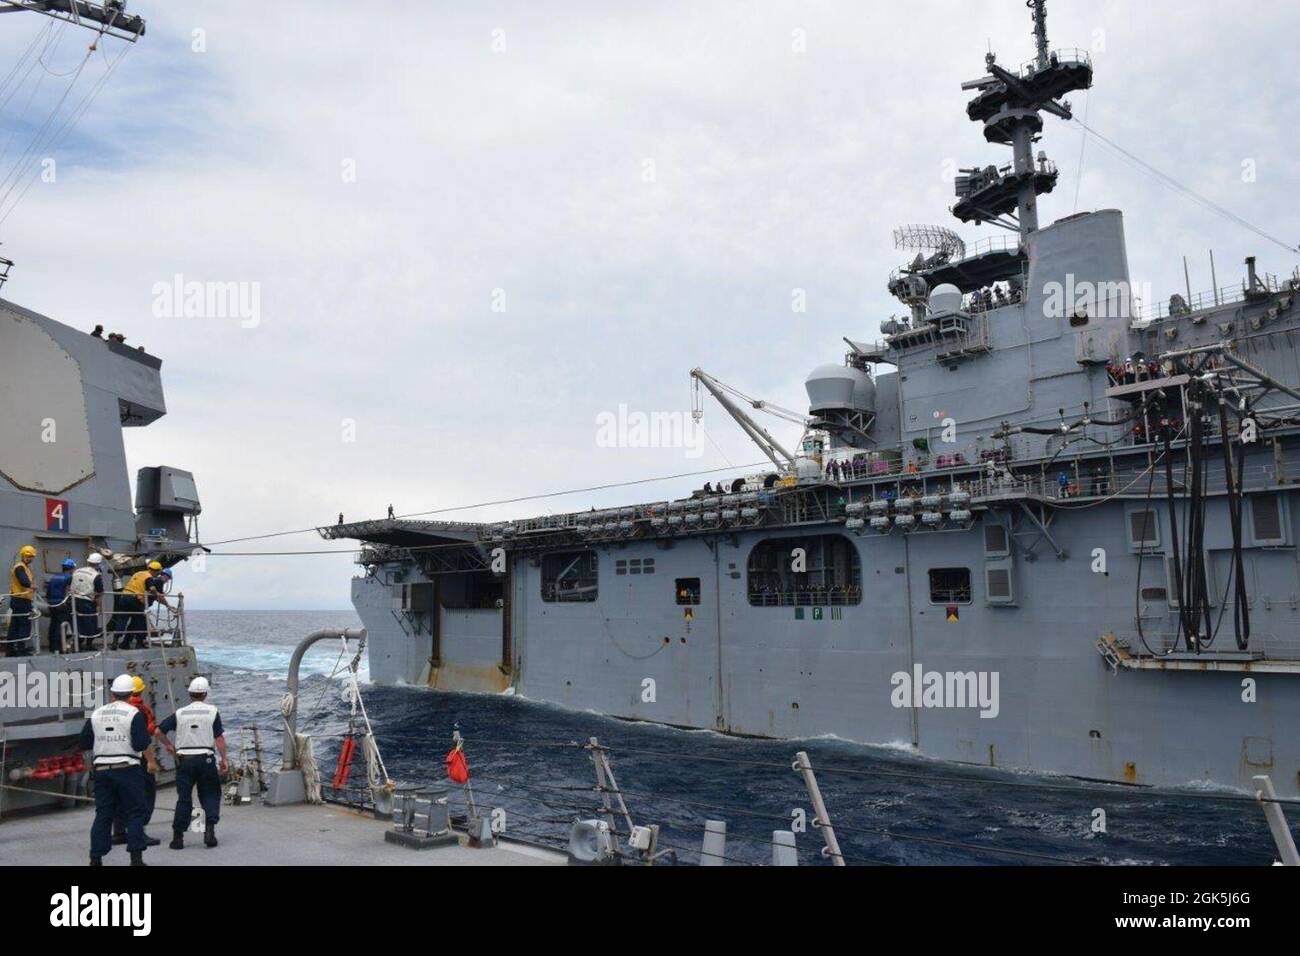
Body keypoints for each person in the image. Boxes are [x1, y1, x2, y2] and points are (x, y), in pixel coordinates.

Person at [80, 673, 152, 866]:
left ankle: (96, 858)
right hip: (127, 768)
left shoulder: (97, 713)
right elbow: (140, 744)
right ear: (130, 694)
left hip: (102, 769)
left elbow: (84, 741)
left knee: (103, 814)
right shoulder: (133, 713)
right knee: (135, 812)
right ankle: (136, 858)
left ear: (112, 693)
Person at [156, 676, 227, 850]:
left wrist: (169, 746)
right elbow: (219, 738)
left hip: (185, 761)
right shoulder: (212, 711)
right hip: (205, 759)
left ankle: (178, 838)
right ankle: (209, 832)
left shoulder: (180, 713)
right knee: (210, 794)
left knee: (184, 798)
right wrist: (224, 759)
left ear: (190, 694)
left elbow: (158, 731)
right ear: (205, 694)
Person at [112, 676, 161, 847]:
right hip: (136, 758)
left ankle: (118, 832)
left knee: (119, 796)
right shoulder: (140, 710)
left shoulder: (109, 710)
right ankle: (139, 833)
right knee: (144, 795)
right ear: (140, 691)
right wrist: (151, 761)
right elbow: (145, 737)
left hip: (115, 757)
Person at [113, 562, 159, 650]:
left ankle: (115, 642)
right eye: (157, 573)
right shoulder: (148, 576)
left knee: (122, 620)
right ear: (155, 571)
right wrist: (157, 594)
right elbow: (152, 588)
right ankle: (139, 643)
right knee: (140, 620)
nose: (157, 575)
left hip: (124, 597)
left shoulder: (138, 573)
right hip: (134, 599)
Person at [6, 544, 38, 657]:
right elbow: (23, 581)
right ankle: (20, 649)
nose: (30, 558)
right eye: (27, 556)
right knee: (23, 624)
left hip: (21, 600)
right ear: (22, 555)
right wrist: (32, 586)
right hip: (21, 600)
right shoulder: (20, 567)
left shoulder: (26, 567)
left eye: (31, 556)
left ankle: (10, 649)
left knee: (15, 625)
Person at [71, 553, 106, 648]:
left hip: (74, 601)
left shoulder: (77, 570)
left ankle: (77, 644)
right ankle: (89, 644)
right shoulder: (96, 575)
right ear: (98, 564)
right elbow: (99, 592)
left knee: (78, 622)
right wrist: (99, 606)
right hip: (87, 601)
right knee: (91, 623)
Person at [44, 558, 76, 653]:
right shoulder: (69, 577)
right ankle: (59, 647)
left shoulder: (54, 577)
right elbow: (68, 591)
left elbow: (48, 593)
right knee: (61, 625)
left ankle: (52, 646)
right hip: (62, 603)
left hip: (51, 603)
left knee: (53, 623)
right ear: (71, 568)